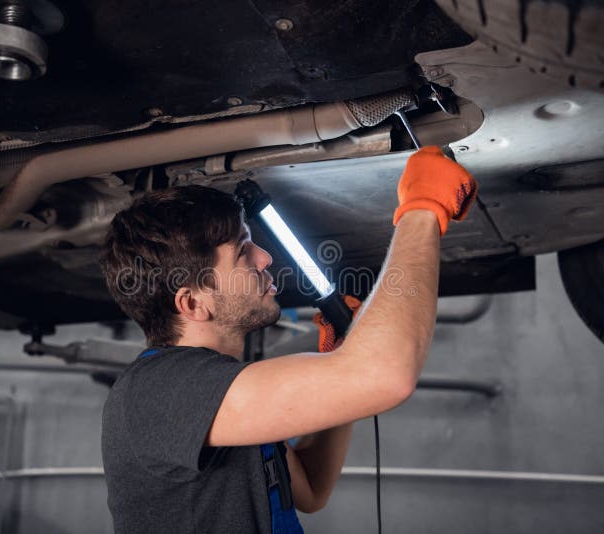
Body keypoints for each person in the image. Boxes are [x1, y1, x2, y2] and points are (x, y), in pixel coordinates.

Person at [98, 146, 477, 533]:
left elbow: (310, 488)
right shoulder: (160, 391)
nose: (264, 257)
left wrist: (342, 357)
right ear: (194, 302)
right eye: (242, 252)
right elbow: (386, 375)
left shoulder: (222, 393)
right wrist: (422, 209)